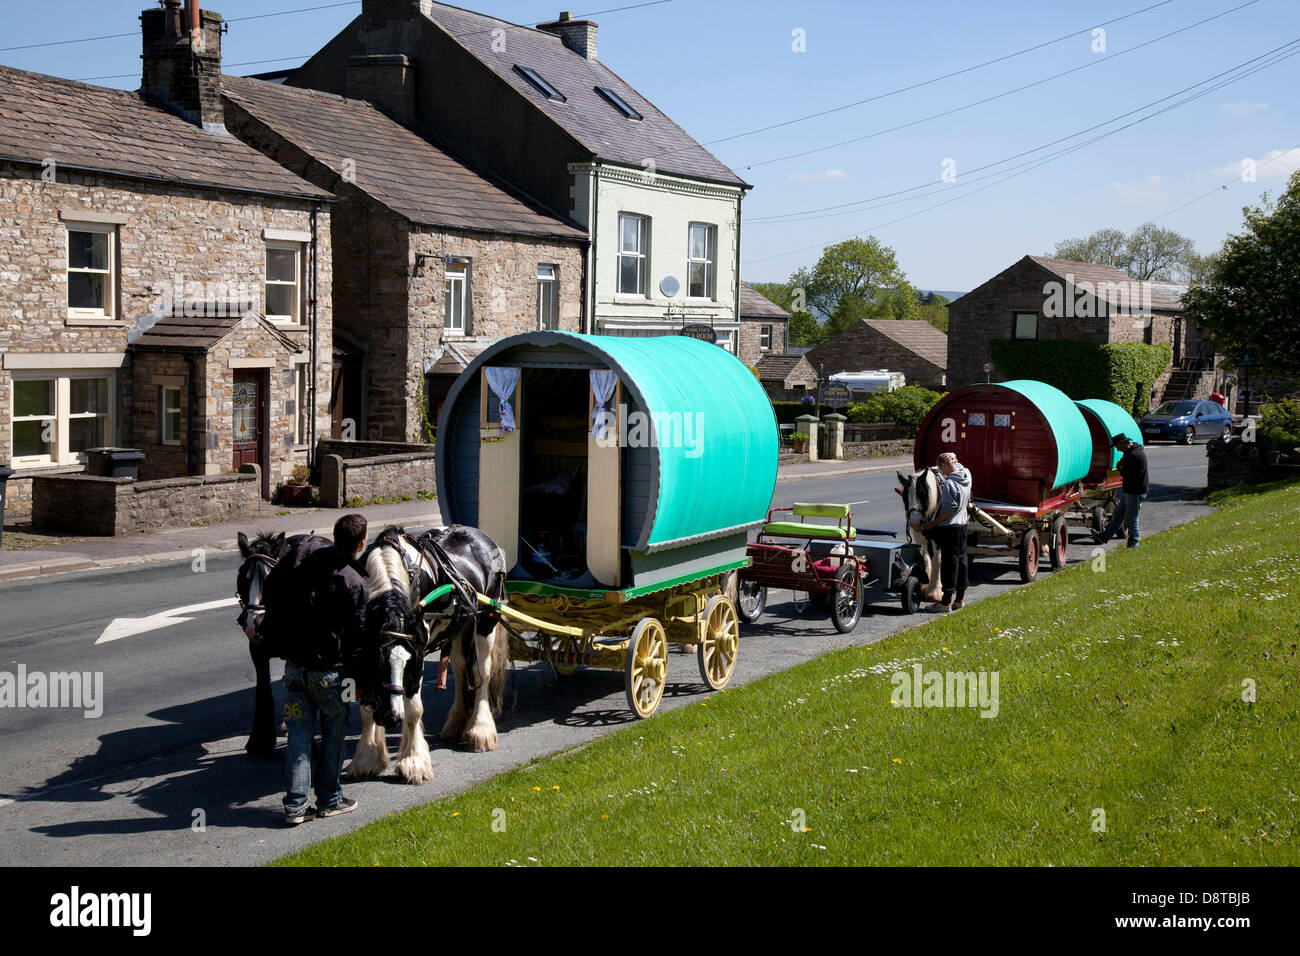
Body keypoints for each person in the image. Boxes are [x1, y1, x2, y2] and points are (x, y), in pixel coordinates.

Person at [257, 514, 370, 826]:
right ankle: (330, 799)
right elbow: (357, 640)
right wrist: (358, 682)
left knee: (298, 736)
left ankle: (295, 806)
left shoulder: (304, 564)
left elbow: (272, 587)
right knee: (334, 735)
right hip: (331, 674)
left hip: (295, 670)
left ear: (334, 537)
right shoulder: (355, 583)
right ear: (361, 544)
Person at [920, 452, 972, 613]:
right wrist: (951, 458)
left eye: (941, 469)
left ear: (942, 467)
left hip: (950, 528)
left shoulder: (949, 484)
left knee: (950, 564)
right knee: (962, 561)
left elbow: (949, 510)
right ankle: (960, 598)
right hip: (963, 525)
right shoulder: (967, 474)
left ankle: (945, 602)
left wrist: (932, 524)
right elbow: (958, 464)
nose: (941, 473)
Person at [1093, 435, 1148, 548]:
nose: (1117, 449)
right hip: (1130, 490)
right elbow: (1121, 466)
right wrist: (1121, 466)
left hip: (1135, 491)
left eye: (1117, 446)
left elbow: (1123, 471)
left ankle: (1133, 543)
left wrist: (1121, 467)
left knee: (1131, 518)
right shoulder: (1131, 452)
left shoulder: (1133, 455)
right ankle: (1105, 536)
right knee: (1118, 514)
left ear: (1123, 443)